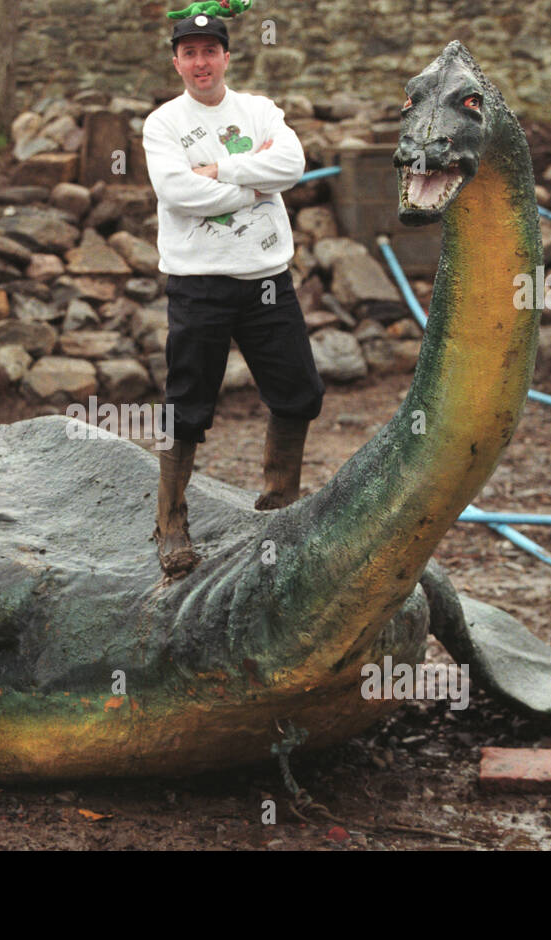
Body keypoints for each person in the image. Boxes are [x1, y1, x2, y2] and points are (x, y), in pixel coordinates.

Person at [142, 12, 324, 578]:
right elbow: (176, 190)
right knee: (188, 403)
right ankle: (170, 522)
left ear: (226, 56)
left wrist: (219, 170)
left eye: (209, 51)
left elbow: (291, 164)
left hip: (267, 280)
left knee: (299, 393)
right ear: (176, 62)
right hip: (199, 284)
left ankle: (279, 508)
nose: (200, 62)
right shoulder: (163, 123)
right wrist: (253, 186)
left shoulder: (260, 110)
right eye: (189, 53)